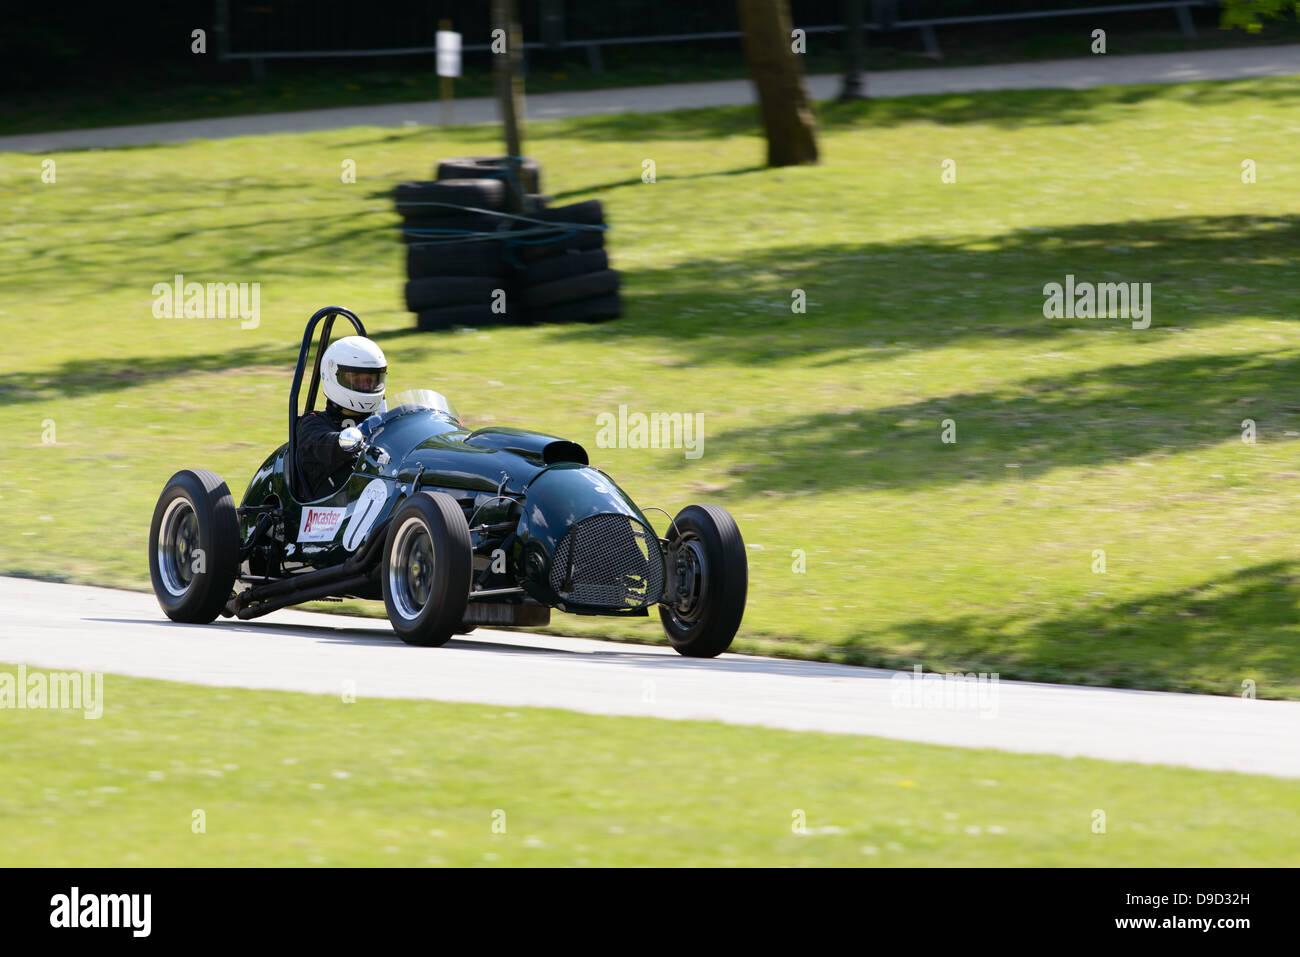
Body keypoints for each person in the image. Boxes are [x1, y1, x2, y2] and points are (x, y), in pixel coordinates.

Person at [295, 336, 387, 500]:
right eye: (356, 380)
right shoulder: (312, 422)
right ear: (333, 375)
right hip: (329, 509)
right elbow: (323, 445)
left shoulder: (381, 422)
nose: (365, 386)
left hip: (376, 498)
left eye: (370, 380)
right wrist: (354, 438)